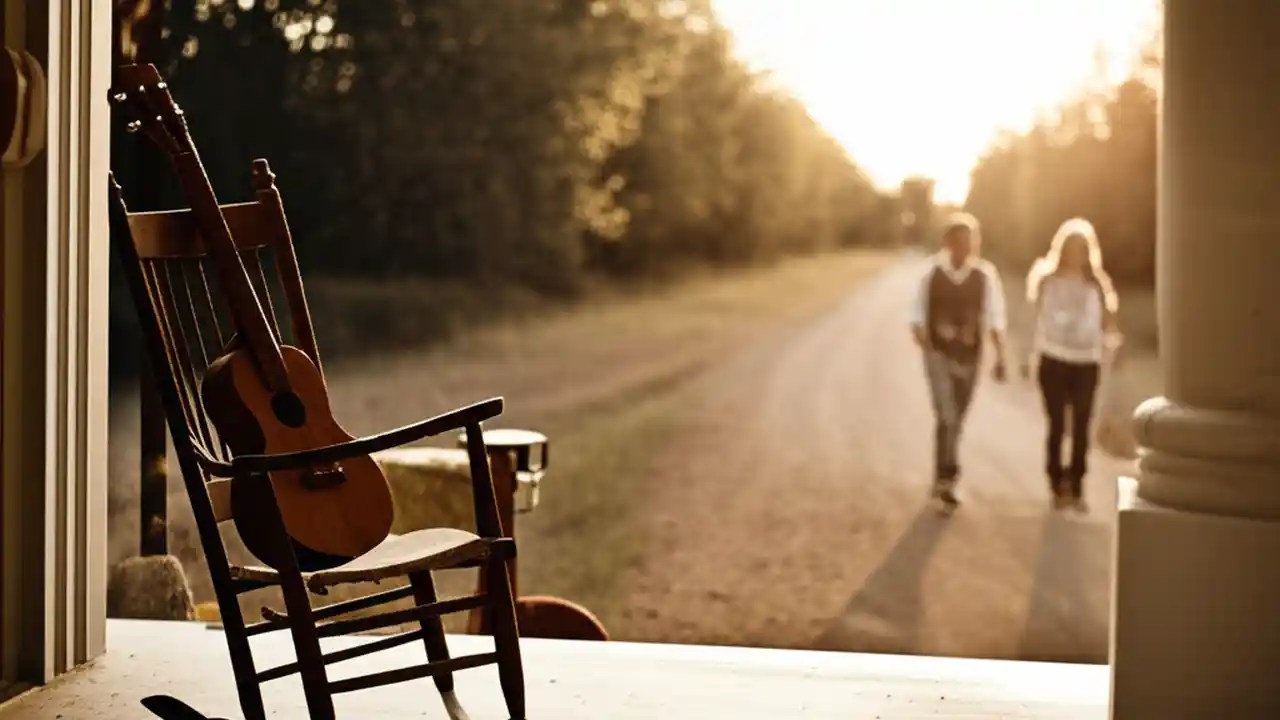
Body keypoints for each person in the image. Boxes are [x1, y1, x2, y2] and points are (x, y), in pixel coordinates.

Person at [909, 213, 1009, 509]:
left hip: (970, 358)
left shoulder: (984, 276)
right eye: (960, 241)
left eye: (970, 241)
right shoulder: (931, 275)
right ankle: (946, 478)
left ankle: (943, 472)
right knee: (947, 415)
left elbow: (994, 318)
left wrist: (1000, 356)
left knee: (957, 420)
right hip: (938, 355)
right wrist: (933, 353)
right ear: (947, 243)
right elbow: (916, 321)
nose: (966, 247)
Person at [1023, 217, 1121, 513]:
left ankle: (1077, 487)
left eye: (1082, 249)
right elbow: (1039, 319)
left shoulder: (1098, 284)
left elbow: (1108, 325)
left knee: (1081, 427)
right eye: (1072, 248)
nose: (1076, 254)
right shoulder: (1046, 279)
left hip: (1085, 363)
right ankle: (1056, 484)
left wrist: (1113, 344)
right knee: (1057, 424)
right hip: (1052, 359)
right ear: (1062, 249)